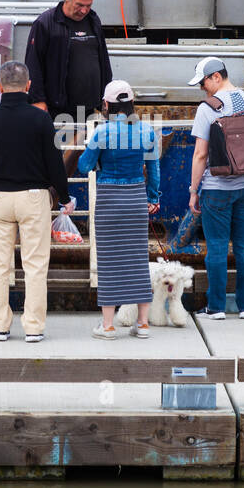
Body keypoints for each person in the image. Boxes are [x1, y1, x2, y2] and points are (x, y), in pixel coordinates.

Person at [0, 60, 75, 343]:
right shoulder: (41, 119)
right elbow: (55, 164)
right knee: (35, 265)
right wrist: (64, 197)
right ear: (28, 85)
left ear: (0, 86)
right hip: (33, 197)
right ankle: (33, 327)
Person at [78, 80, 160, 339]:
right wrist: (153, 197)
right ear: (132, 102)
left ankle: (108, 326)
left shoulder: (102, 133)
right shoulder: (146, 131)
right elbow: (154, 170)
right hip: (136, 198)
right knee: (138, 260)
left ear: (106, 104)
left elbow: (84, 166)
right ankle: (143, 324)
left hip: (109, 199)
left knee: (109, 261)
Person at [187, 56, 244, 321]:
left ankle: (216, 307)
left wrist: (194, 190)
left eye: (203, 83)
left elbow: (200, 154)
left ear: (216, 77)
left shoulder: (208, 108)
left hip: (217, 187)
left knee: (217, 247)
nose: (202, 89)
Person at [23, 0, 113, 123]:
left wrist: (107, 94)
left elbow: (103, 59)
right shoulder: (46, 23)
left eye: (88, 5)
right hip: (57, 108)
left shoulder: (93, 20)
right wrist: (37, 99)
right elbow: (33, 64)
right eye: (79, 5)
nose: (84, 10)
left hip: (89, 107)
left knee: (85, 138)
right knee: (62, 138)